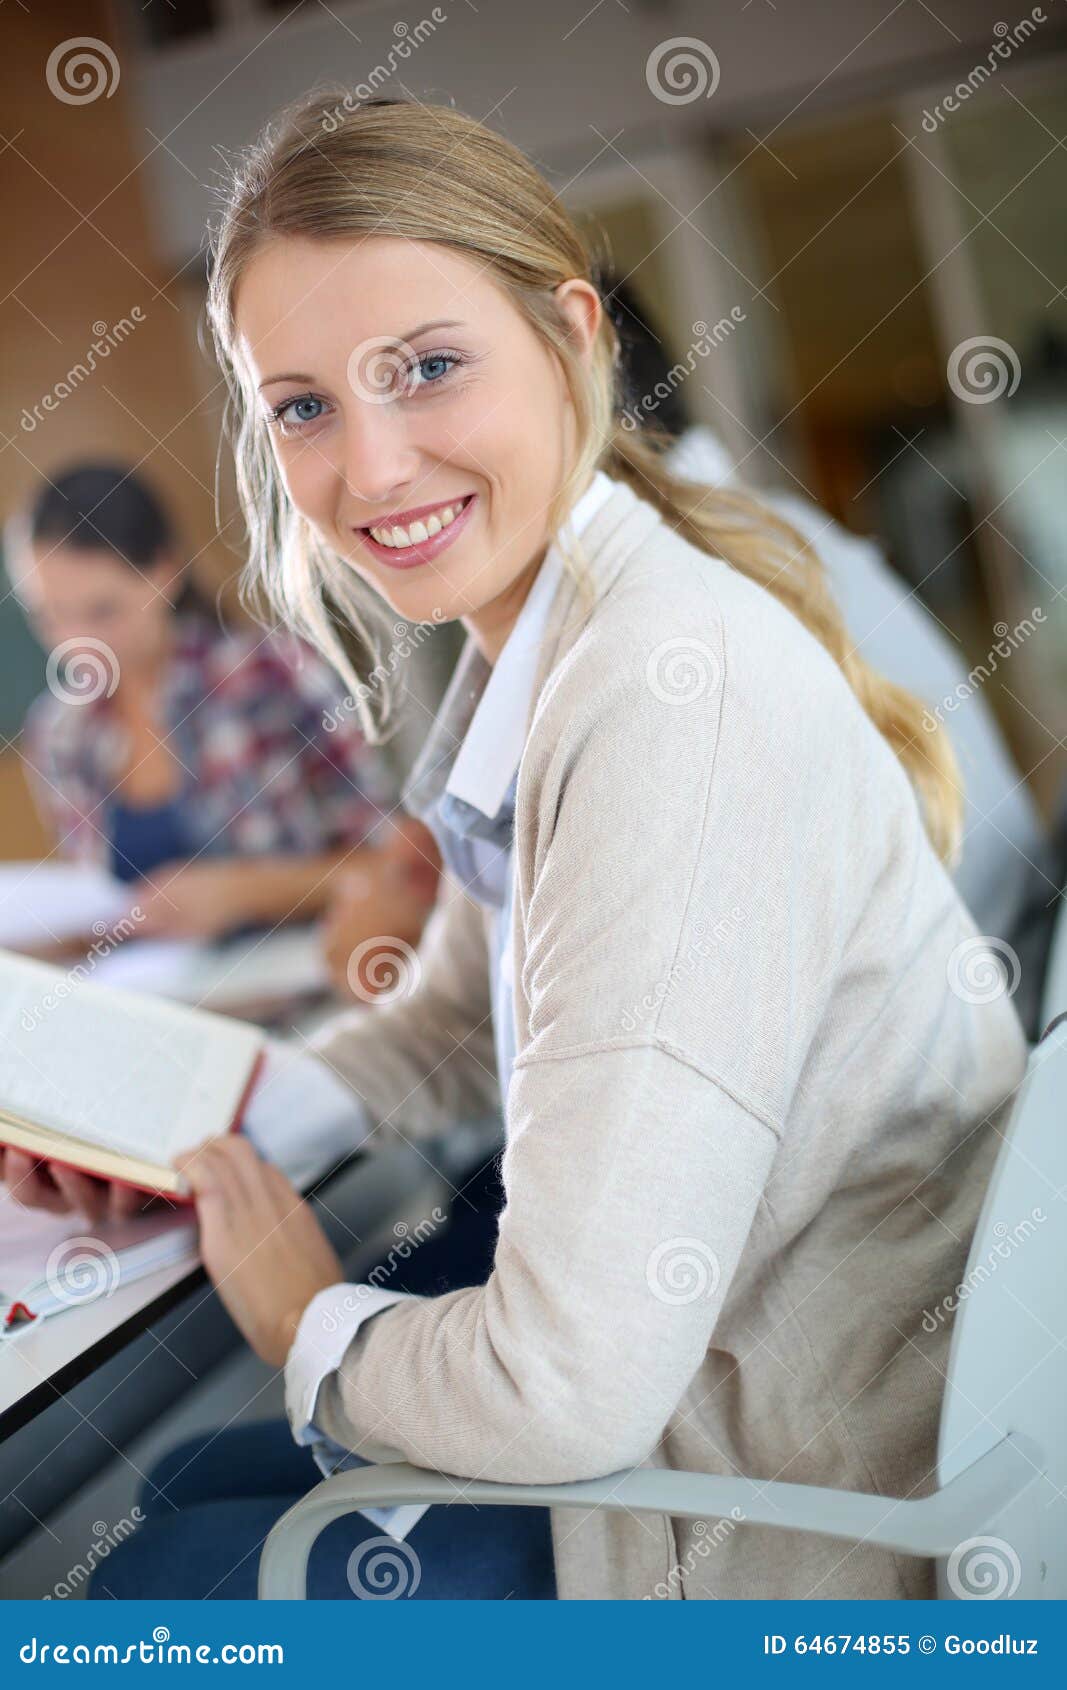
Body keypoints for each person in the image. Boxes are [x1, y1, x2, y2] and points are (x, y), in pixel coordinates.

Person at [18, 93, 1028, 1600]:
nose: (367, 470)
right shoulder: (552, 638)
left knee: (142, 1579)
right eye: (300, 406)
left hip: (774, 1512)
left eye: (424, 368)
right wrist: (195, 1136)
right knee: (177, 1485)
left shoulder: (657, 698)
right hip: (721, 1402)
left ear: (568, 336)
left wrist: (308, 1325)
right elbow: (445, 1025)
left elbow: (568, 1386)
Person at [8, 461, 435, 941]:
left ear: (165, 573)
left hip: (305, 986)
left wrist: (241, 891)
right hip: (154, 996)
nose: (75, 644)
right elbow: (94, 905)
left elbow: (400, 867)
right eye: (49, 617)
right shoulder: (58, 733)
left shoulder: (270, 675)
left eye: (103, 610)